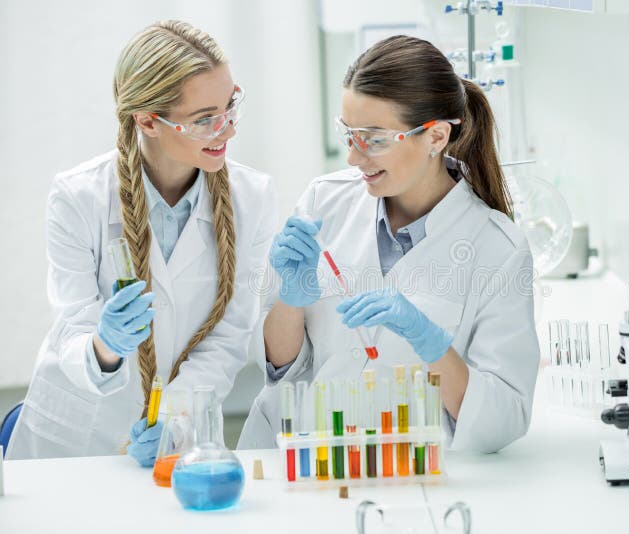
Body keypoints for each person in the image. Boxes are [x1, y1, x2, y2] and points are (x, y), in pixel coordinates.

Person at [240, 35, 539, 453]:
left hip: (406, 474)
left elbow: (503, 418)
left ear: (435, 137)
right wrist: (290, 301)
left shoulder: (498, 249)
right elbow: (279, 366)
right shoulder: (323, 201)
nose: (353, 158)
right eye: (349, 134)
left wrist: (431, 342)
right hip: (295, 458)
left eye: (374, 139)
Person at [7, 20, 278, 465]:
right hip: (76, 440)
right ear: (148, 121)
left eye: (230, 108)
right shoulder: (78, 197)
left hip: (179, 436)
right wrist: (106, 346)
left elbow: (230, 333)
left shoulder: (253, 197)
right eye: (205, 119)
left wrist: (175, 418)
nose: (227, 131)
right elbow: (73, 327)